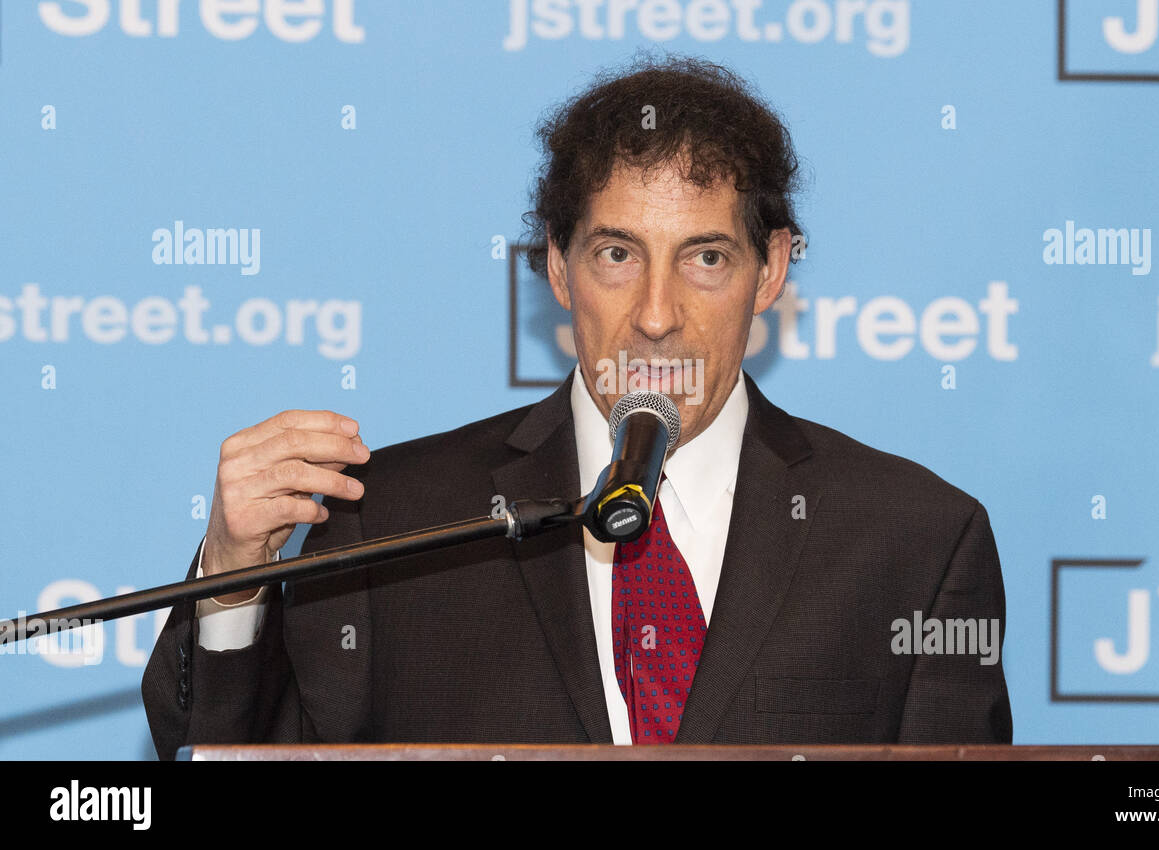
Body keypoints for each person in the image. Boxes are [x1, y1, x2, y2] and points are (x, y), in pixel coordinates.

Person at [142, 55, 1011, 758]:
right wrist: (229, 578)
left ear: (773, 269)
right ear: (558, 268)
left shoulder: (917, 540)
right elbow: (231, 754)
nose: (659, 315)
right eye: (617, 255)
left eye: (705, 258)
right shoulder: (394, 521)